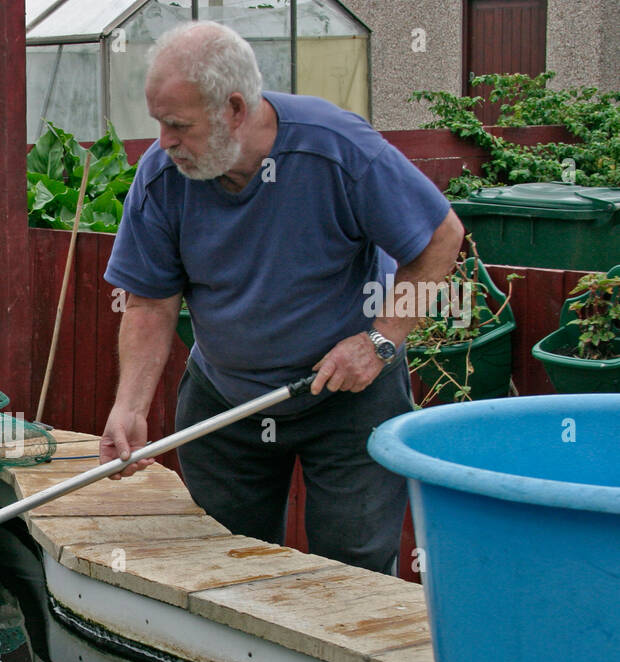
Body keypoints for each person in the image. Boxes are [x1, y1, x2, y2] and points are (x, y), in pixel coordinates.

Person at [99, 21, 464, 575]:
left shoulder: (337, 150)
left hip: (350, 397)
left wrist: (381, 341)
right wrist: (129, 407)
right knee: (220, 568)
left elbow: (440, 238)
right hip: (226, 402)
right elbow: (150, 303)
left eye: (178, 125)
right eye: (158, 123)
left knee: (353, 573)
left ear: (235, 109)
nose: (164, 141)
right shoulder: (162, 178)